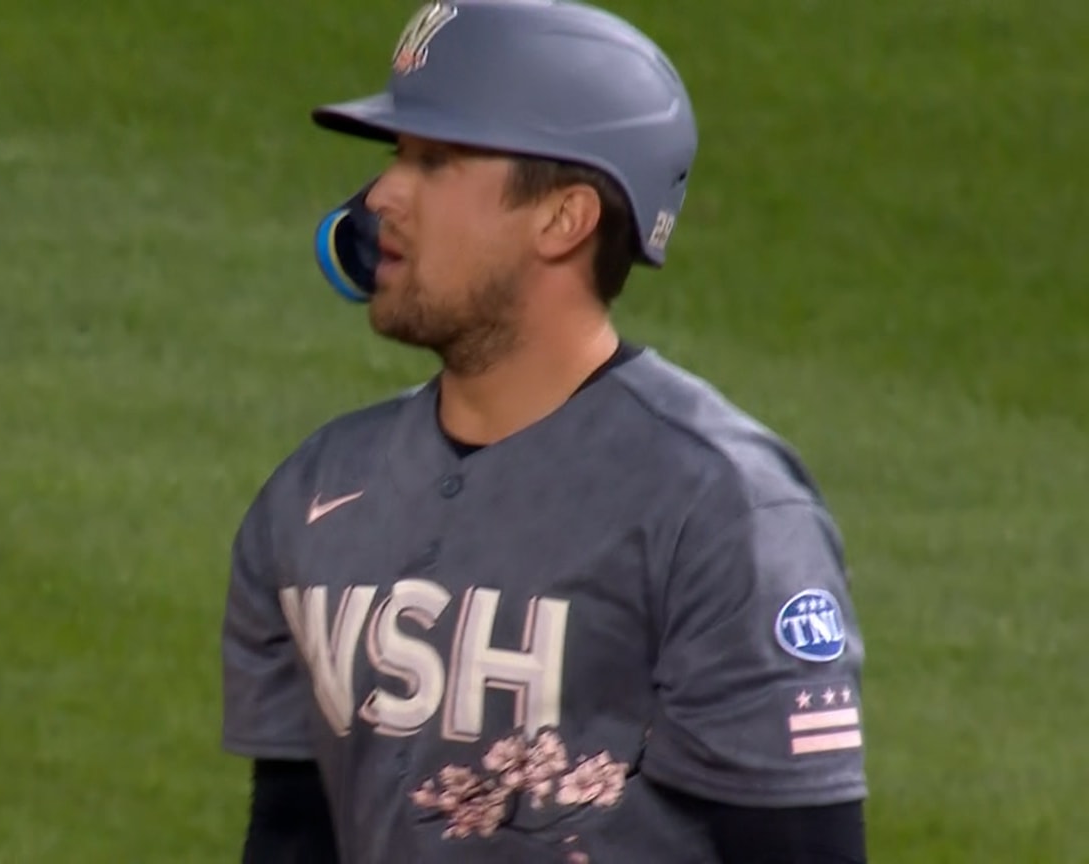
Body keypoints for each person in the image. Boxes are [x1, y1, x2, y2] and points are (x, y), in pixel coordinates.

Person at [221, 2, 869, 861]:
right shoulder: (314, 498)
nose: (380, 196)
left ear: (562, 219)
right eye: (396, 157)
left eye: (435, 160)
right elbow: (293, 835)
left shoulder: (719, 511)